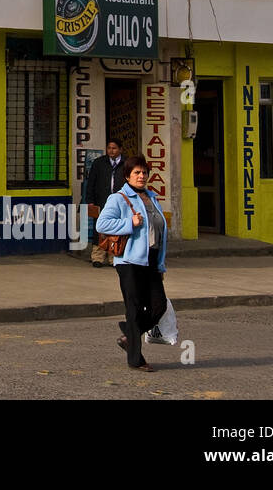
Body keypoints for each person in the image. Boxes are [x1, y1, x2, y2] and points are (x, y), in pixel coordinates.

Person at [96, 154, 168, 373]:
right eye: (136, 172)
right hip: (129, 261)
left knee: (159, 305)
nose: (141, 176)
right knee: (134, 309)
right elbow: (102, 223)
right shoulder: (118, 198)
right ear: (127, 176)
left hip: (152, 260)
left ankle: (129, 334)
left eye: (144, 172)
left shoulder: (151, 197)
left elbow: (159, 230)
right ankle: (136, 359)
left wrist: (161, 265)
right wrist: (130, 222)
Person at [85, 138, 126, 268]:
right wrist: (90, 200)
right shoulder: (99, 163)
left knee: (116, 229)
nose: (111, 151)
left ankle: (114, 257)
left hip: (120, 202)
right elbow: (91, 182)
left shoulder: (126, 164)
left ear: (120, 149)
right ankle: (97, 257)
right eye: (109, 148)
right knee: (100, 229)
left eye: (114, 148)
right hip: (101, 200)